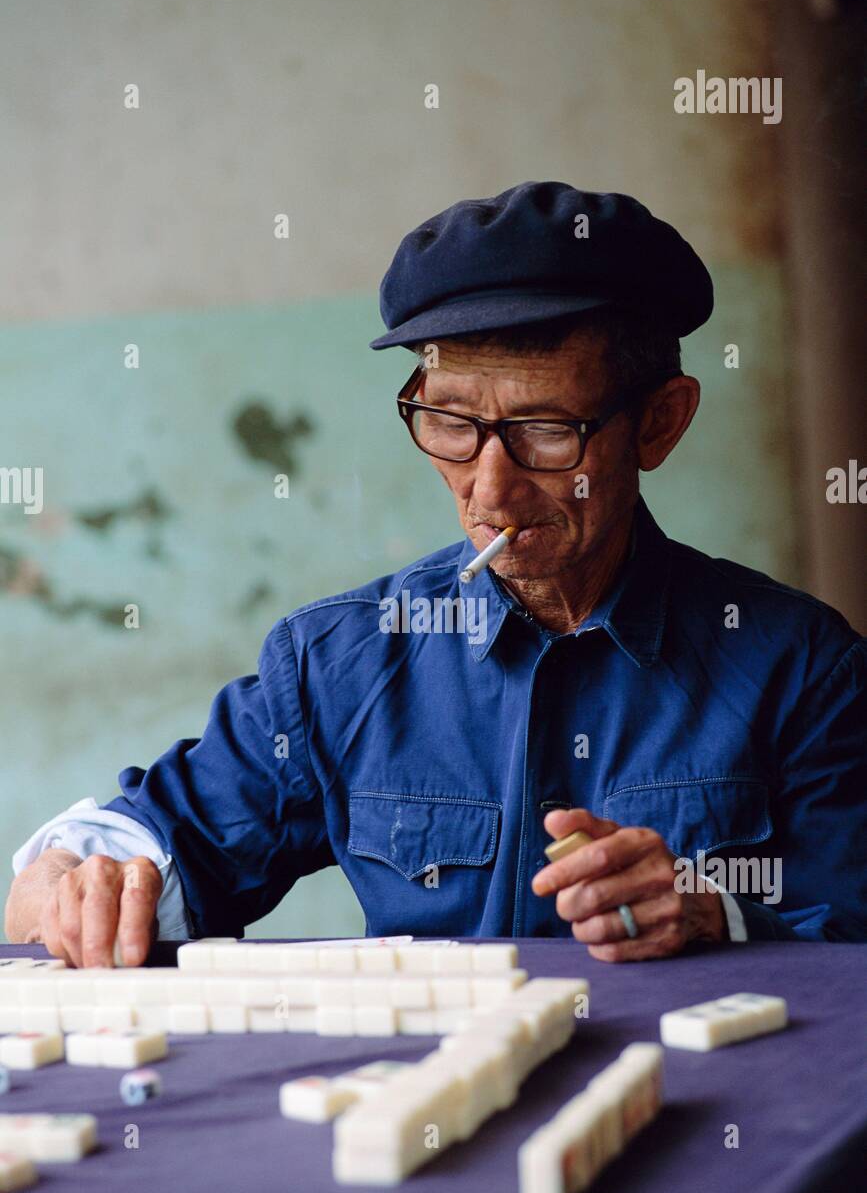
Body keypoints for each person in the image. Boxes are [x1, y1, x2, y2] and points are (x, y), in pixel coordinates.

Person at [7, 182, 866, 967]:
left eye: (544, 429)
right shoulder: (338, 664)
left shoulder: (796, 665)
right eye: (451, 423)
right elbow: (159, 839)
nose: (489, 487)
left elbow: (851, 924)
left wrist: (717, 913)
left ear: (658, 424)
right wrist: (72, 875)